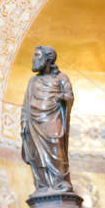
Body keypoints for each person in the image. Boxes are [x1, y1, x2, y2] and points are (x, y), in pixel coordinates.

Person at [19, 46, 73, 193]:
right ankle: (42, 184)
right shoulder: (33, 81)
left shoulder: (61, 78)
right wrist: (24, 122)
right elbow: (26, 105)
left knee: (56, 147)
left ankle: (61, 181)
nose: (33, 59)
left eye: (37, 56)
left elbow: (69, 96)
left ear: (48, 59)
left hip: (52, 118)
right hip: (34, 123)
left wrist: (63, 98)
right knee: (36, 154)